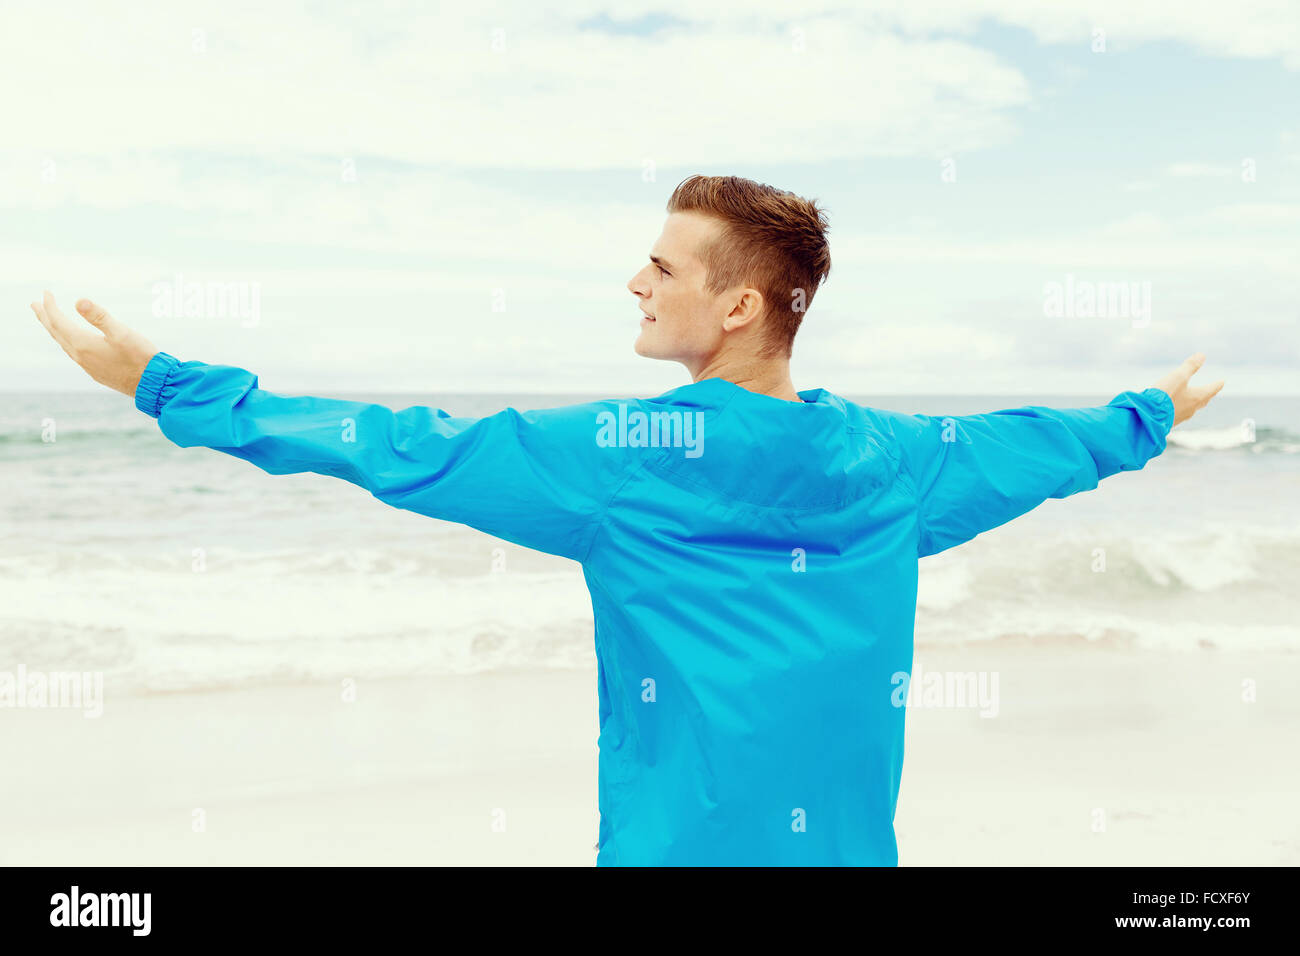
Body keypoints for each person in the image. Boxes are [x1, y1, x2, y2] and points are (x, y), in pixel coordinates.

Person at [29, 174, 1224, 866]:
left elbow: (398, 448)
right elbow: (1046, 447)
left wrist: (171, 388)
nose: (636, 283)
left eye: (662, 266)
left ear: (741, 301)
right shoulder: (902, 461)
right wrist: (1147, 413)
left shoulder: (616, 457)